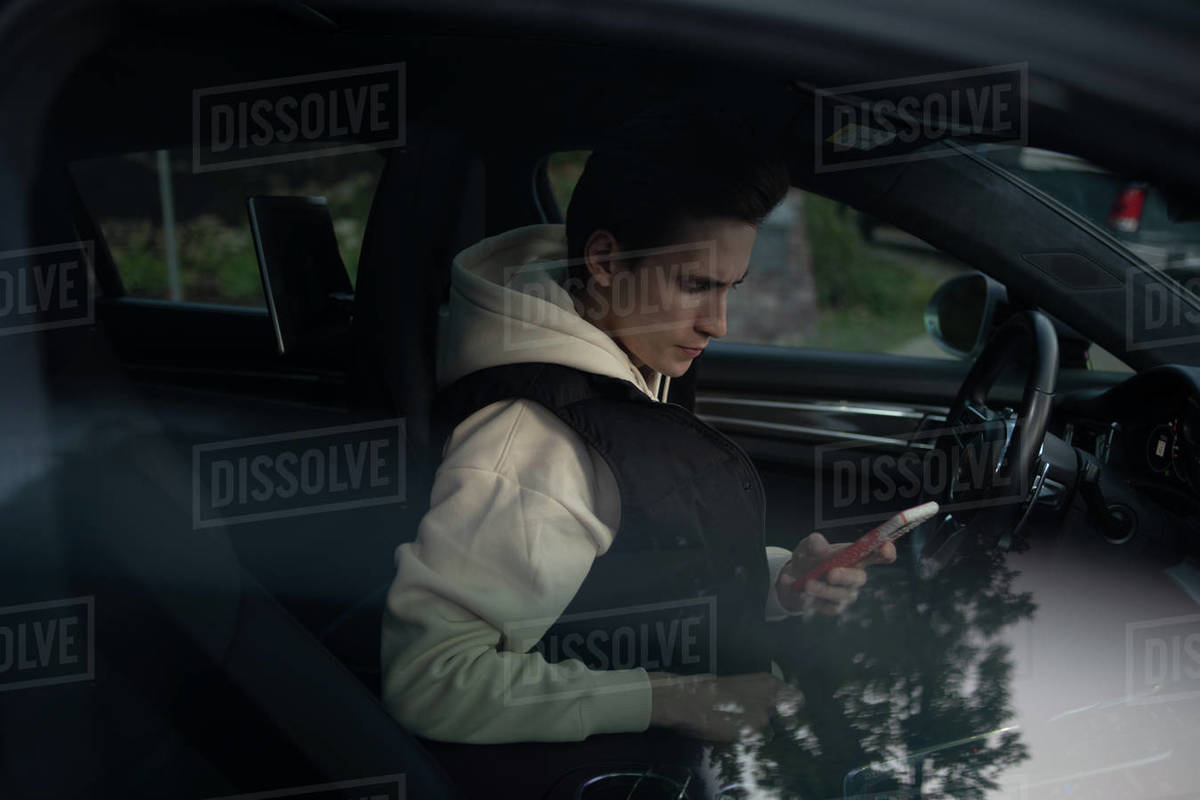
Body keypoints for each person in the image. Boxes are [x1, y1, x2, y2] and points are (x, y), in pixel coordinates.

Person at [380, 99, 897, 755]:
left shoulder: (615, 349)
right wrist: (676, 701)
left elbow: (633, 573)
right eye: (696, 285)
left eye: (731, 287)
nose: (718, 323)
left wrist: (783, 581)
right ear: (604, 261)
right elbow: (431, 681)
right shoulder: (534, 445)